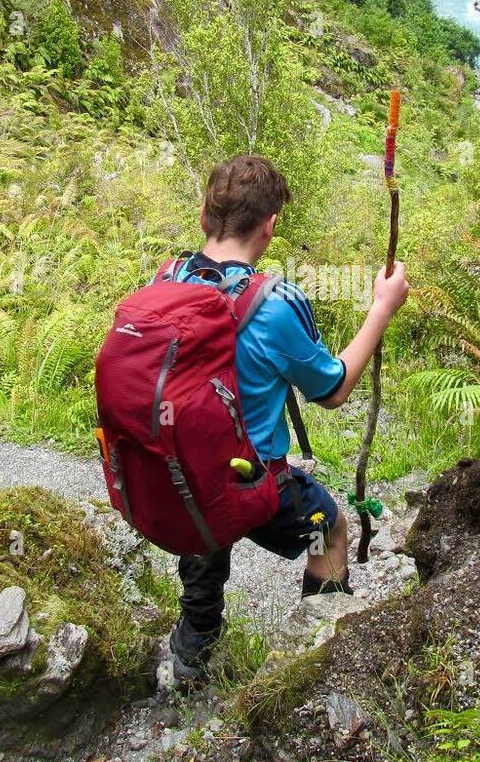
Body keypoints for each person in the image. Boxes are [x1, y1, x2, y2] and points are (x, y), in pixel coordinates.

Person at [166, 155, 409, 683]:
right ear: (270, 226)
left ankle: (193, 646)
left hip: (179, 473)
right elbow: (334, 388)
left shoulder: (168, 278)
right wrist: (381, 309)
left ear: (206, 216)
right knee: (332, 526)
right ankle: (318, 650)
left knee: (204, 526)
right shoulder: (274, 304)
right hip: (245, 480)